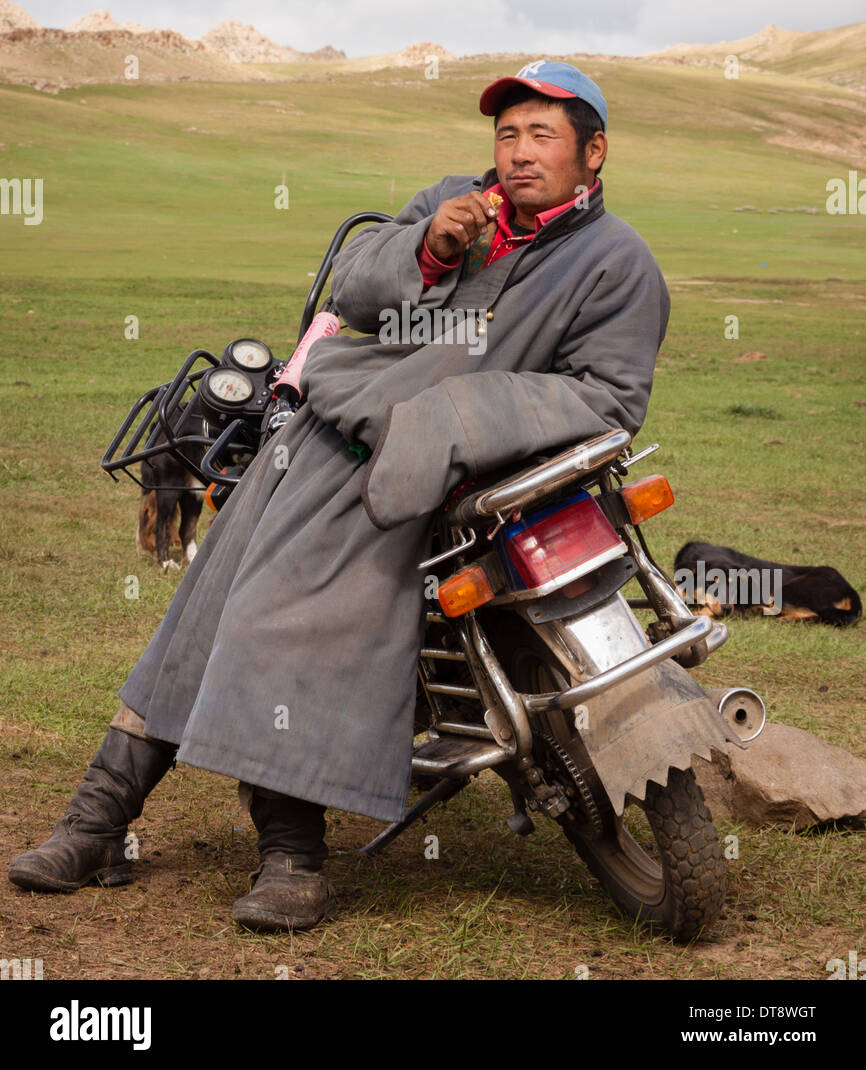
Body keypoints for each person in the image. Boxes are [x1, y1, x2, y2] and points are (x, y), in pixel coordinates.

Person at [9, 60, 671, 932]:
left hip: (442, 474)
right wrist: (428, 245)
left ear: (594, 152)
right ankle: (97, 821)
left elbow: (608, 397)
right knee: (208, 607)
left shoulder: (616, 262)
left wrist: (450, 419)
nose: (517, 152)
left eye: (542, 134)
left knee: (292, 620)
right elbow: (355, 291)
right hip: (329, 433)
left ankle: (291, 852)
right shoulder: (456, 202)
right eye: (507, 133)